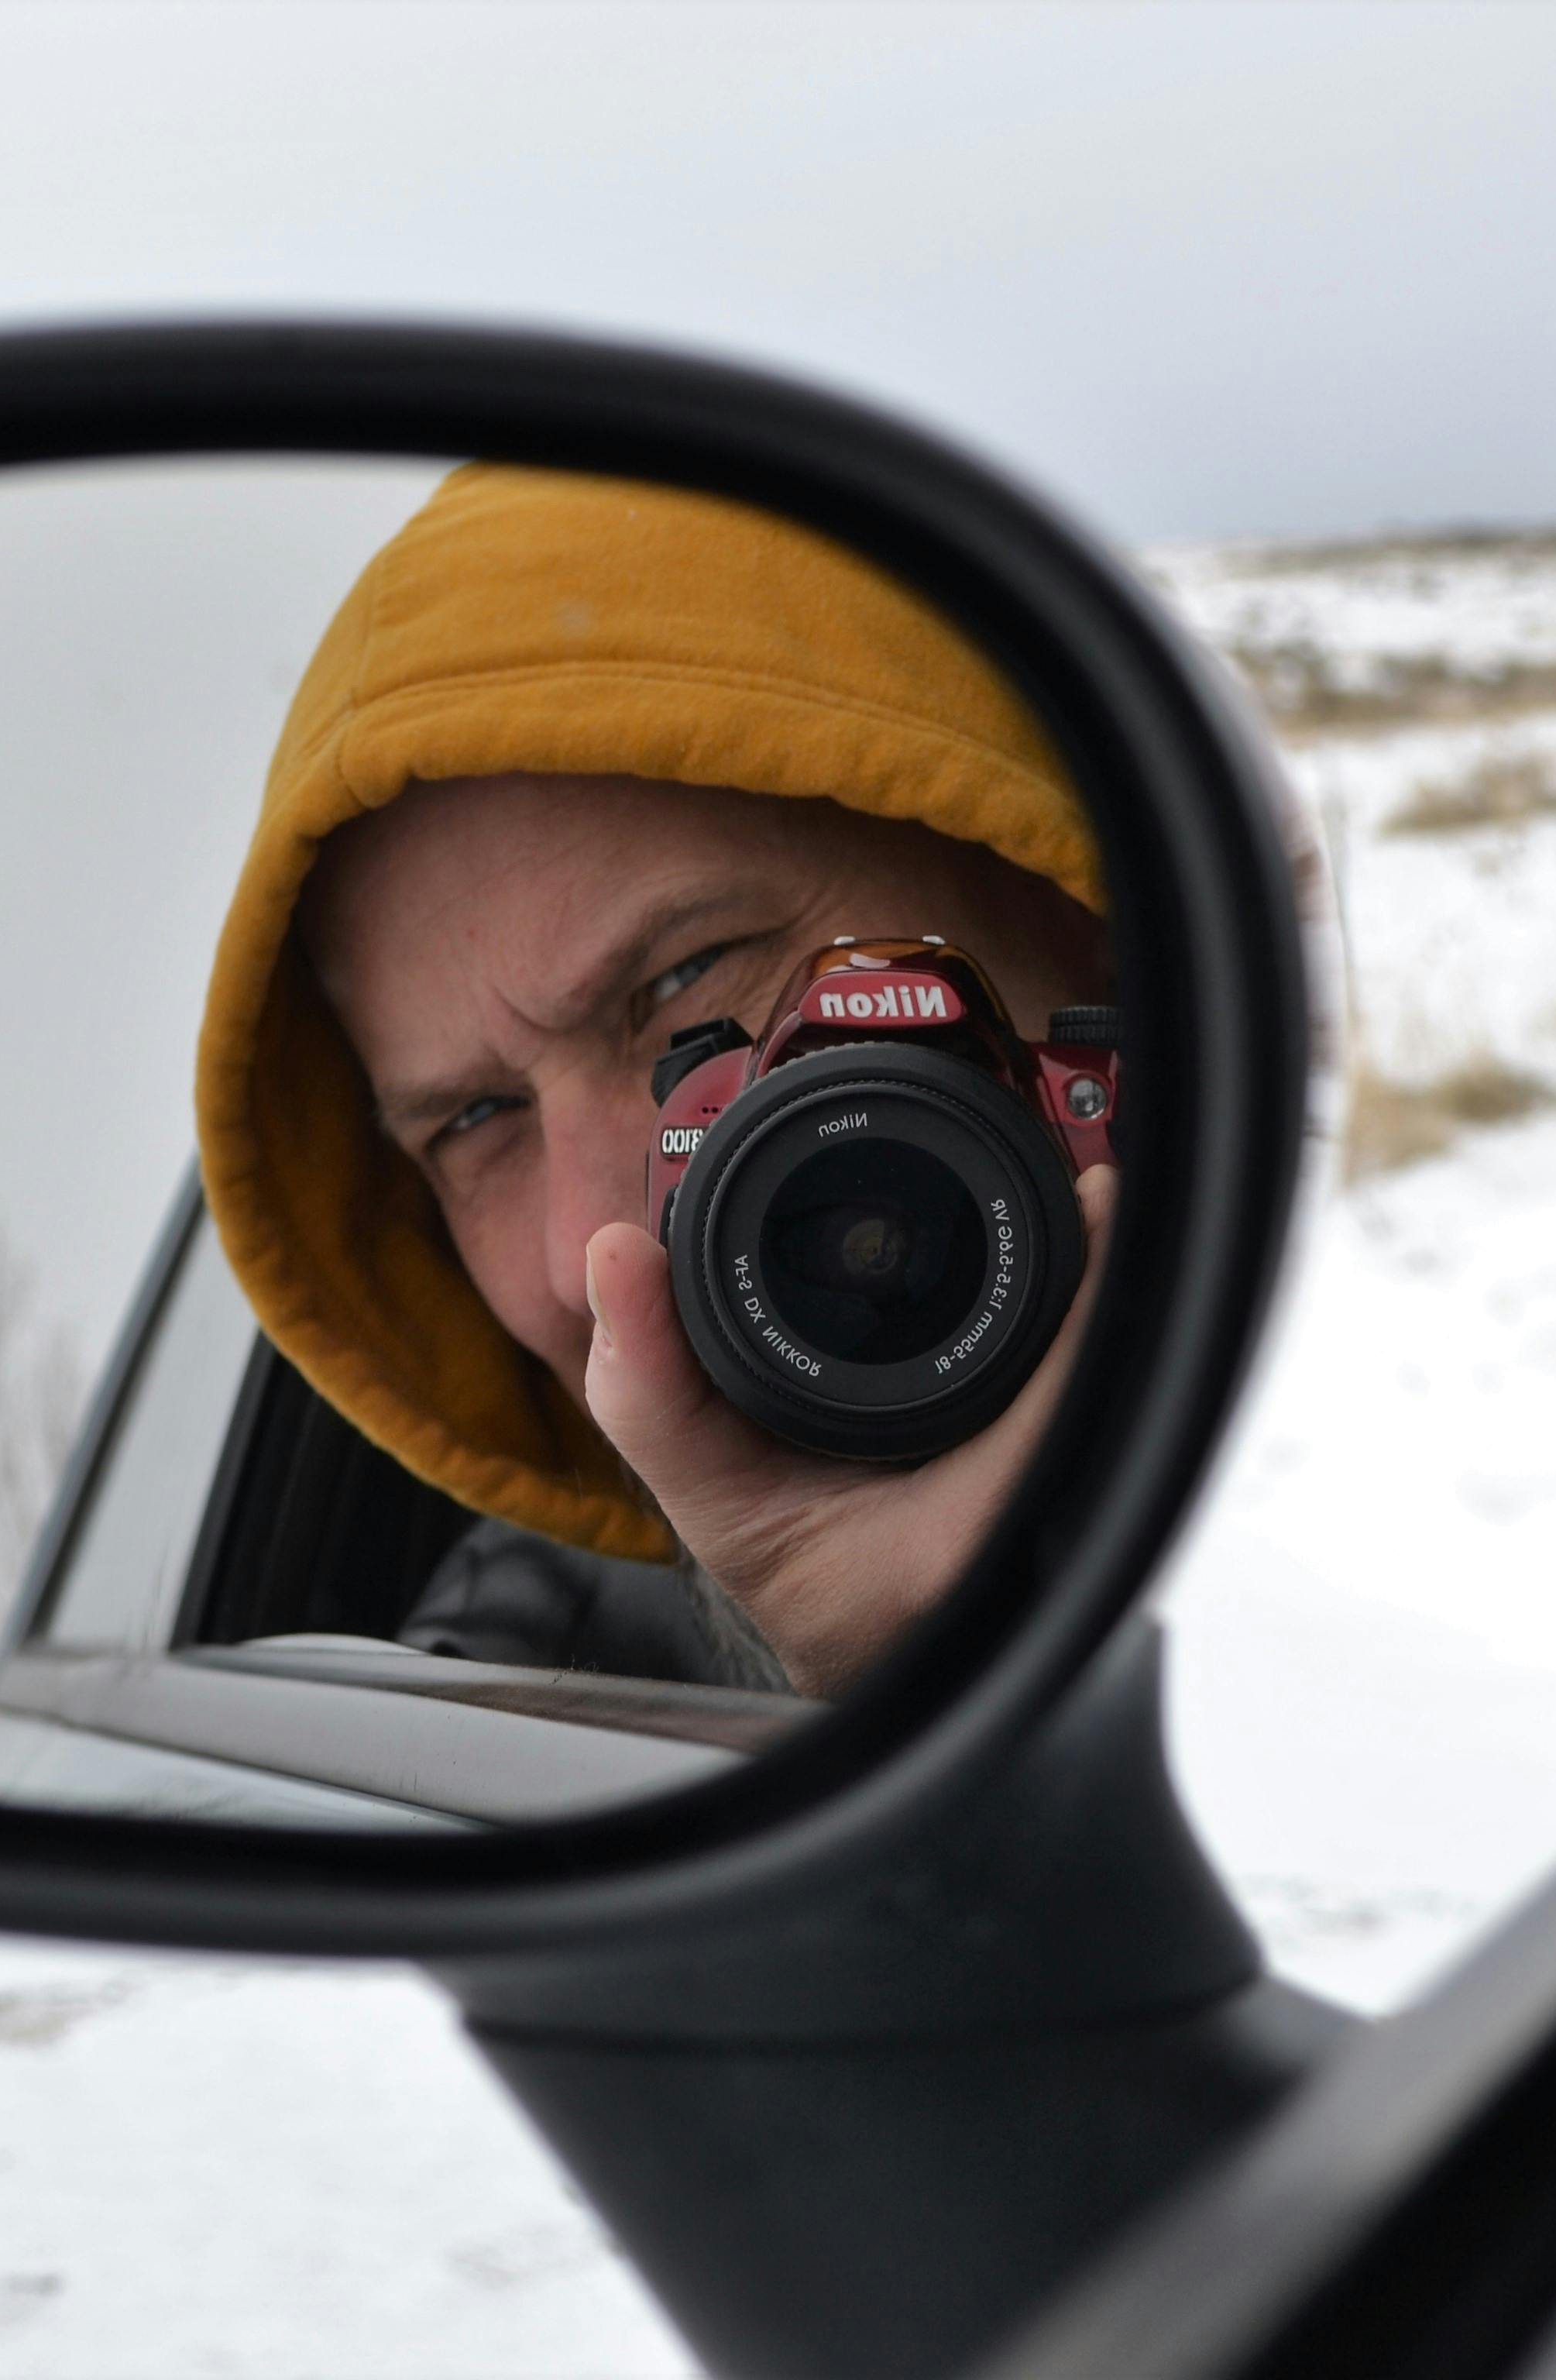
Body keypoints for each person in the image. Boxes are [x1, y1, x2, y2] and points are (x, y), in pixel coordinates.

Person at [193, 465, 1115, 1697]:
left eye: (689, 977)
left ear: (1075, 916)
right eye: (473, 1122)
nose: (599, 1239)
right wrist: (910, 1677)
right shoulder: (508, 1670)